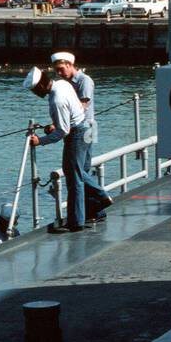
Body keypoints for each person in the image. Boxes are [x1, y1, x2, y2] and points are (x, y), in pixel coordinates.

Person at [23, 65, 108, 233]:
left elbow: (63, 131)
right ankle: (95, 207)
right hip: (85, 127)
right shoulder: (62, 84)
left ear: (40, 85)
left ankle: (79, 219)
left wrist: (40, 141)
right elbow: (71, 113)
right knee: (76, 171)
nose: (35, 94)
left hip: (76, 134)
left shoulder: (57, 99)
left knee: (74, 177)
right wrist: (53, 126)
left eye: (34, 90)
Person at [50, 51, 112, 219]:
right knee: (82, 170)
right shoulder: (66, 84)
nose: (59, 73)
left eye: (61, 69)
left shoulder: (85, 81)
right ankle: (96, 211)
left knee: (78, 170)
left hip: (87, 127)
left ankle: (101, 196)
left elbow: (81, 107)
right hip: (80, 127)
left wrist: (59, 125)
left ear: (70, 65)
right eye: (57, 70)